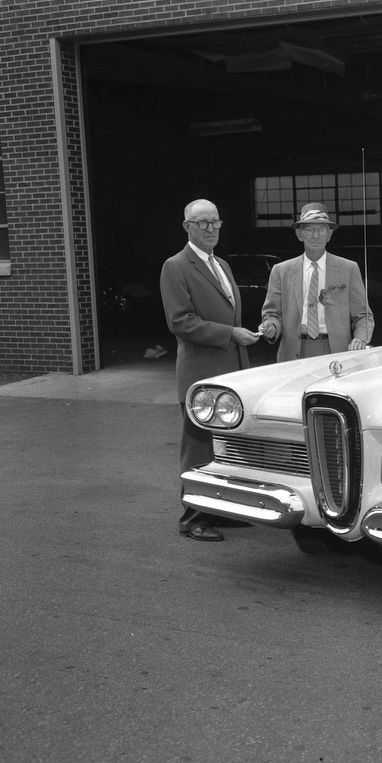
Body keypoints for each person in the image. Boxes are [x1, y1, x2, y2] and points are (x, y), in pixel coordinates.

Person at [159, 199, 261, 542]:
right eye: (201, 223)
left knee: (224, 446)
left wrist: (238, 334)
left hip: (230, 370)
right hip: (201, 373)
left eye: (215, 222)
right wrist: (230, 334)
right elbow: (180, 322)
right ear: (186, 226)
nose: (210, 228)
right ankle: (192, 518)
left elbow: (225, 312)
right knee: (199, 445)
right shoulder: (175, 266)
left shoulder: (222, 265)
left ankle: (218, 510)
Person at [259, 202, 373, 361]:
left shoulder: (348, 269)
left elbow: (364, 316)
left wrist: (360, 338)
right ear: (299, 235)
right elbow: (272, 314)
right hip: (293, 353)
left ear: (329, 235)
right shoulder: (281, 271)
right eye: (309, 230)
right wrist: (271, 327)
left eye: (321, 230)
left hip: (337, 352)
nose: (315, 235)